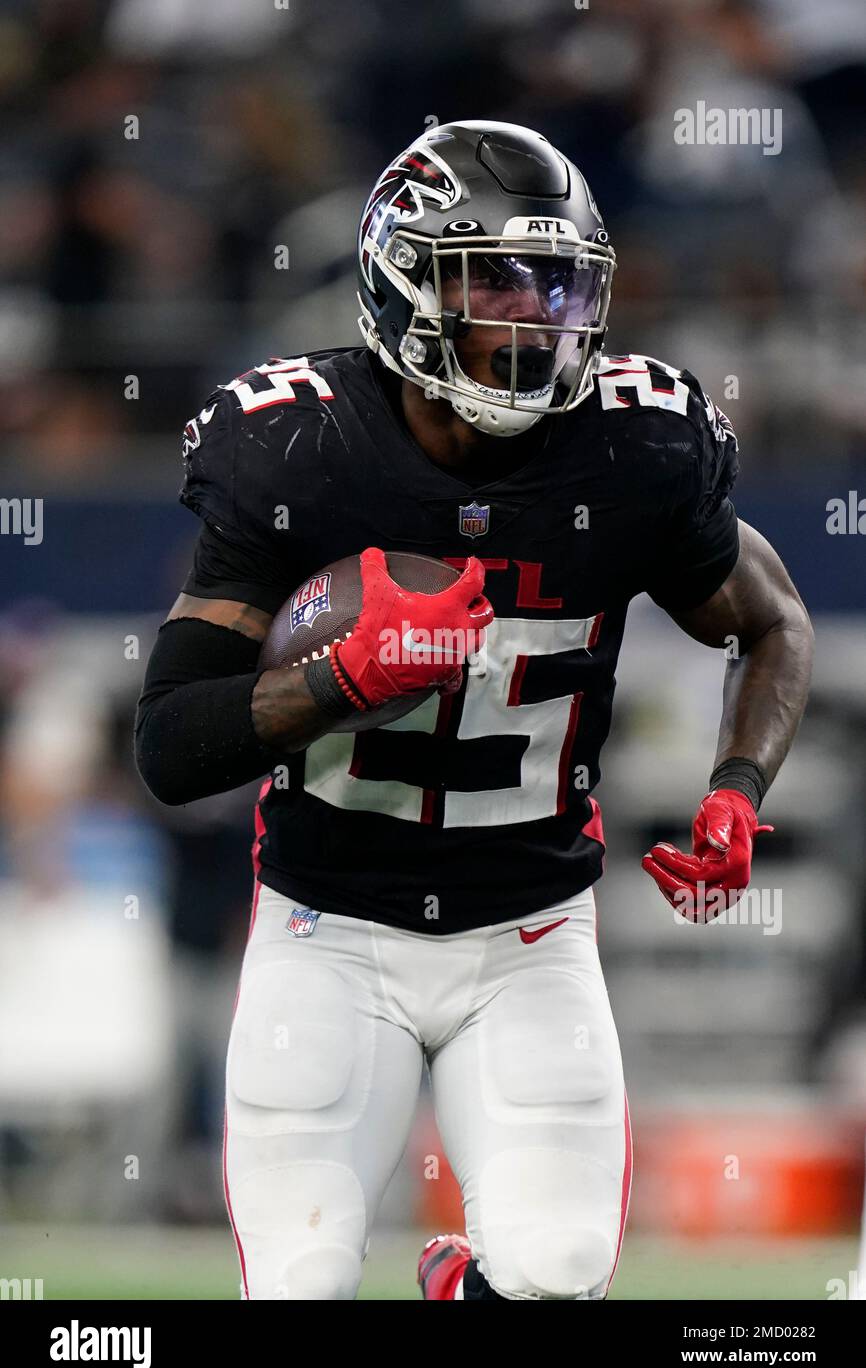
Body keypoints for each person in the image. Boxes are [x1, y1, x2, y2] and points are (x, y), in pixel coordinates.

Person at [135, 121, 813, 1300]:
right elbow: (170, 743)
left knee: (554, 1274)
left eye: (556, 280)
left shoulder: (634, 445)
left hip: (530, 934)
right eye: (490, 274)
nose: (531, 311)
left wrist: (734, 788)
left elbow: (772, 622)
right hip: (327, 932)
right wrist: (335, 684)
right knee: (300, 1283)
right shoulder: (298, 449)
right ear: (402, 278)